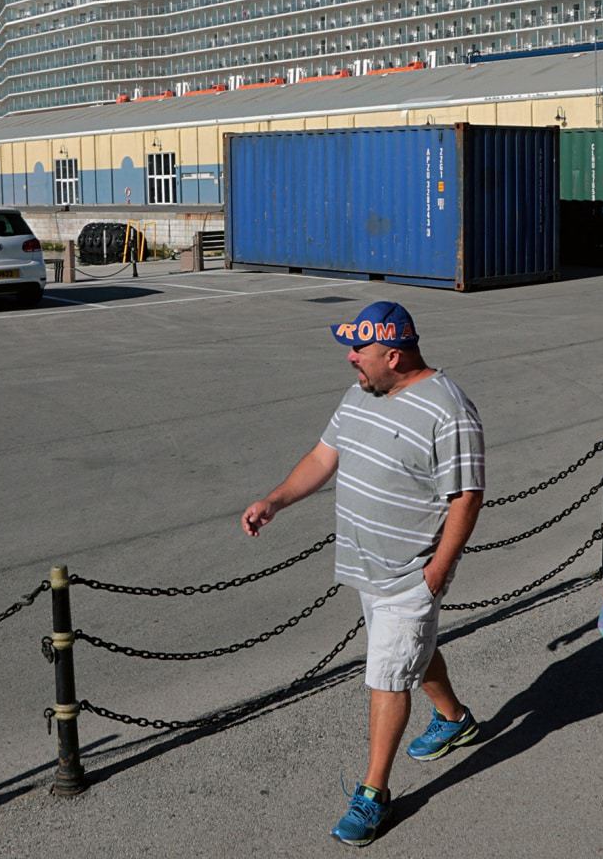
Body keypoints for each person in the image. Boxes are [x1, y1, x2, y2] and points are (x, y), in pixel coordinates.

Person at [239, 302, 485, 846]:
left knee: (386, 676)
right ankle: (455, 719)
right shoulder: (361, 394)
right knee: (405, 653)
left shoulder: (448, 411)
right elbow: (324, 457)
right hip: (366, 566)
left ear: (393, 355)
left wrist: (438, 570)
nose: (350, 359)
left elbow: (467, 496)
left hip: (410, 573)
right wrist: (274, 500)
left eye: (360, 351)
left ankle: (373, 793)